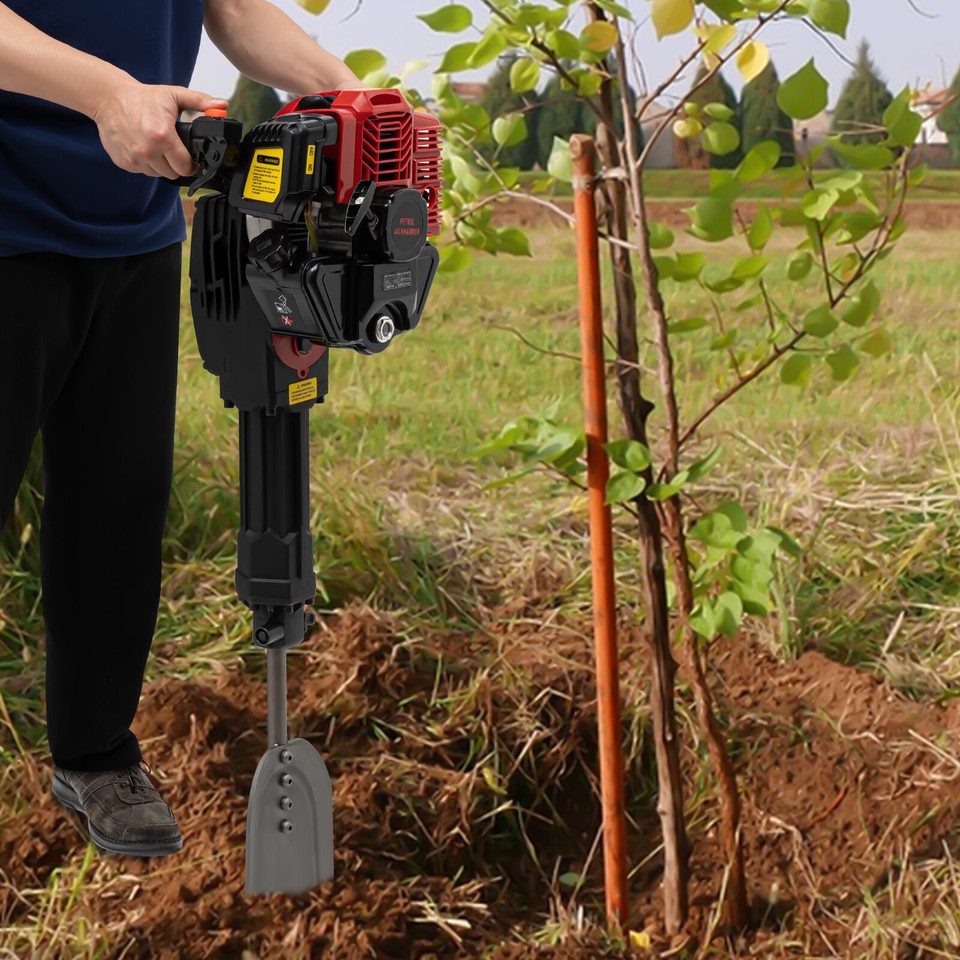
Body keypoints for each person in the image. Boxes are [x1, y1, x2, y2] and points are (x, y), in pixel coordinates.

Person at [0, 0, 364, 857]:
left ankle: (95, 755)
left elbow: (228, 7)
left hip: (135, 220)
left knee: (118, 504)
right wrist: (105, 93)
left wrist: (349, 94)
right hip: (7, 218)